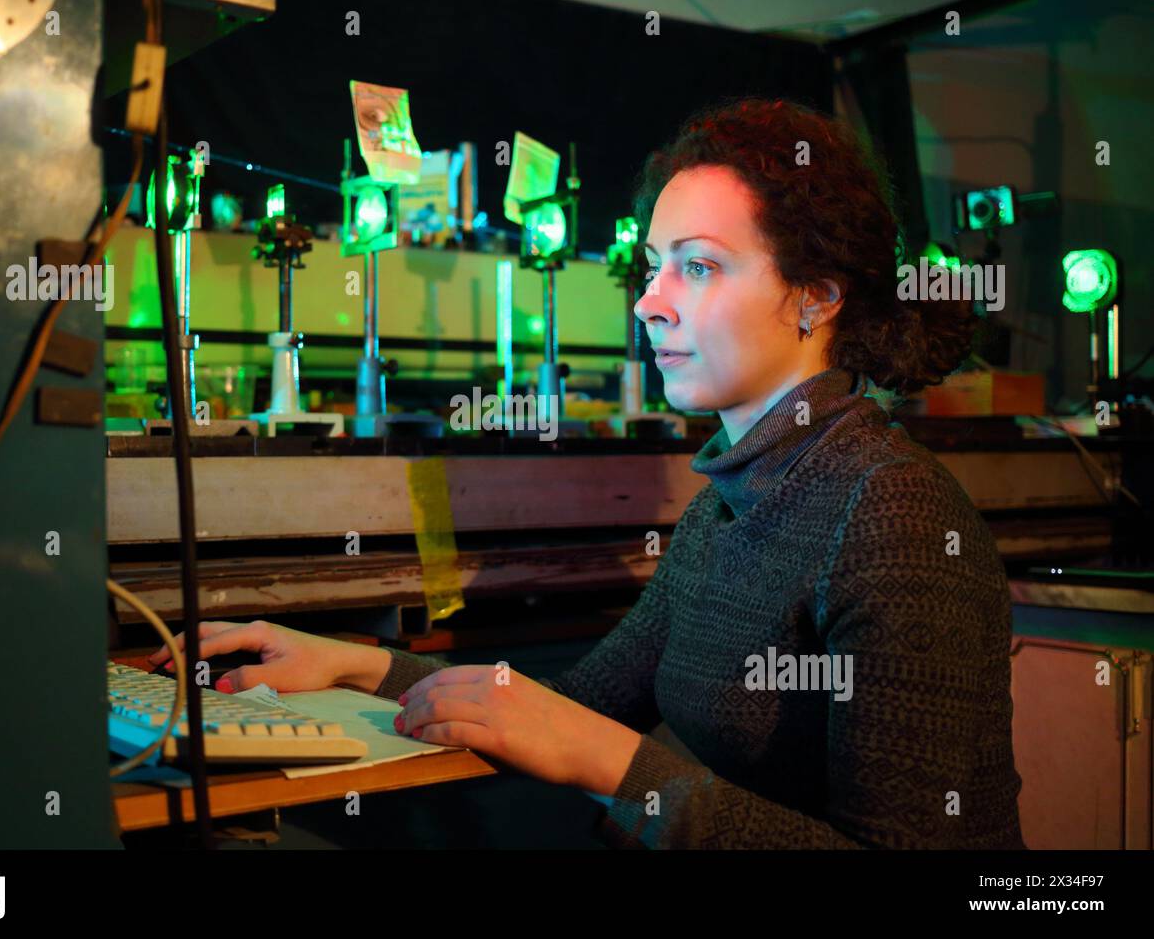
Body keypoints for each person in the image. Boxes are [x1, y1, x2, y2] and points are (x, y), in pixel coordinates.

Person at [149, 99, 1025, 849]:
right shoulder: (730, 502)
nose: (649, 300)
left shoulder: (892, 512)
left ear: (816, 296)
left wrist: (609, 762)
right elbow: (571, 701)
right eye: (654, 266)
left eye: (699, 265)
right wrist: (346, 664)